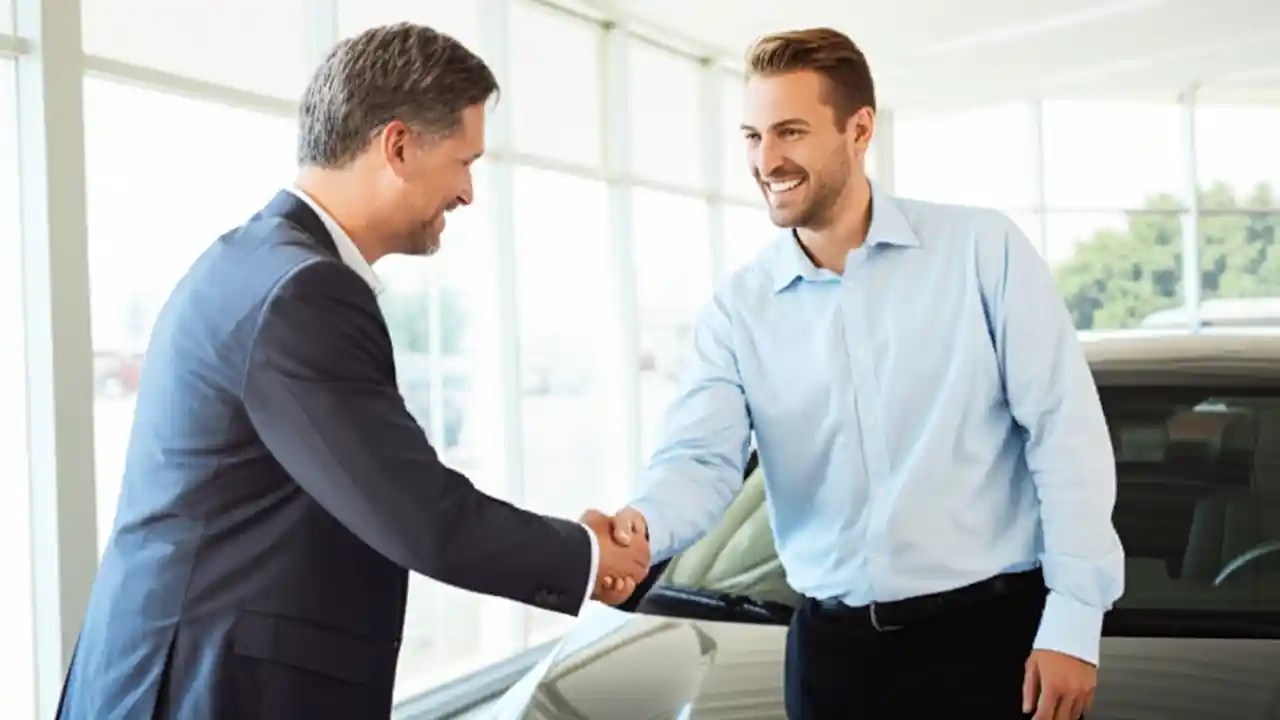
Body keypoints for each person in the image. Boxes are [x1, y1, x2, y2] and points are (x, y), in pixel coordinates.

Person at [57, 23, 649, 719]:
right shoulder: (302, 292)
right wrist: (586, 557)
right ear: (398, 146)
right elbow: (419, 514)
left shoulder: (252, 262)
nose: (467, 193)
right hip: (207, 692)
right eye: (464, 161)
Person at [599, 27, 1123, 720]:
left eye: (790, 132)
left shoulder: (981, 251)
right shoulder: (738, 311)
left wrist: (1075, 617)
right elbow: (699, 461)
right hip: (835, 662)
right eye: (752, 136)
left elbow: (1064, 433)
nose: (766, 160)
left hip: (996, 644)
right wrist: (638, 527)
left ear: (860, 129)